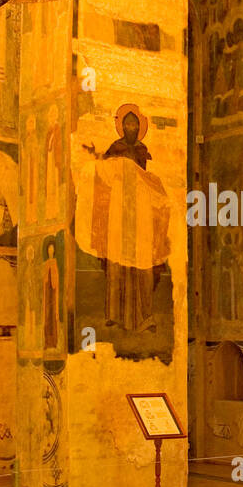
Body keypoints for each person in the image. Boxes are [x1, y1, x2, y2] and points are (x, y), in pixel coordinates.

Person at [83, 105, 170, 333]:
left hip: (140, 206)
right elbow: (104, 172)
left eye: (135, 124)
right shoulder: (115, 149)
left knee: (143, 260)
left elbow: (151, 178)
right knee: (117, 260)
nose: (131, 127)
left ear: (140, 127)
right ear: (122, 126)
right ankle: (114, 313)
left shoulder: (143, 150)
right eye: (128, 124)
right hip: (119, 207)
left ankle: (146, 316)